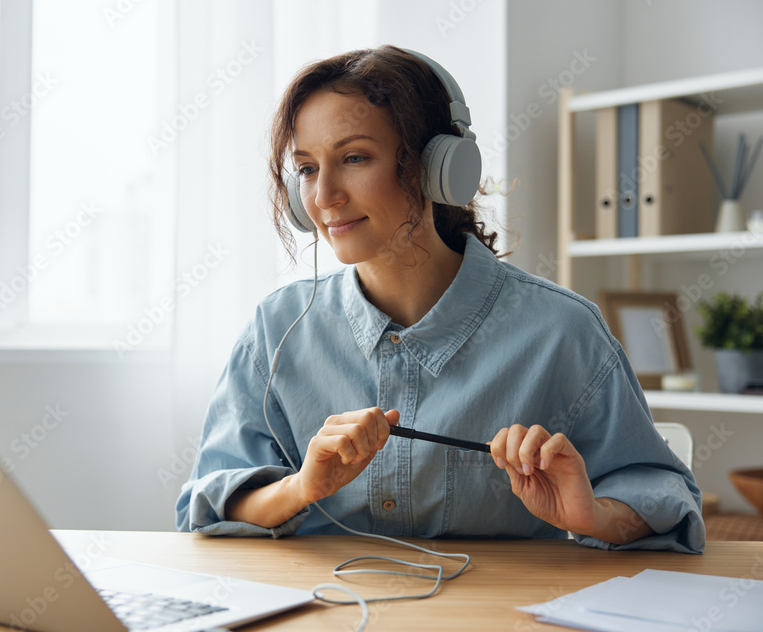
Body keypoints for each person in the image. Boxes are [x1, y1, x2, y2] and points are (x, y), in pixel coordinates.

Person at [175, 45, 705, 553]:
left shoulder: (562, 331)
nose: (324, 197)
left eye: (355, 157)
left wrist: (592, 514)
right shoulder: (277, 327)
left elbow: (664, 496)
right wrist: (302, 488)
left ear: (441, 167)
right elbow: (207, 505)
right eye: (308, 168)